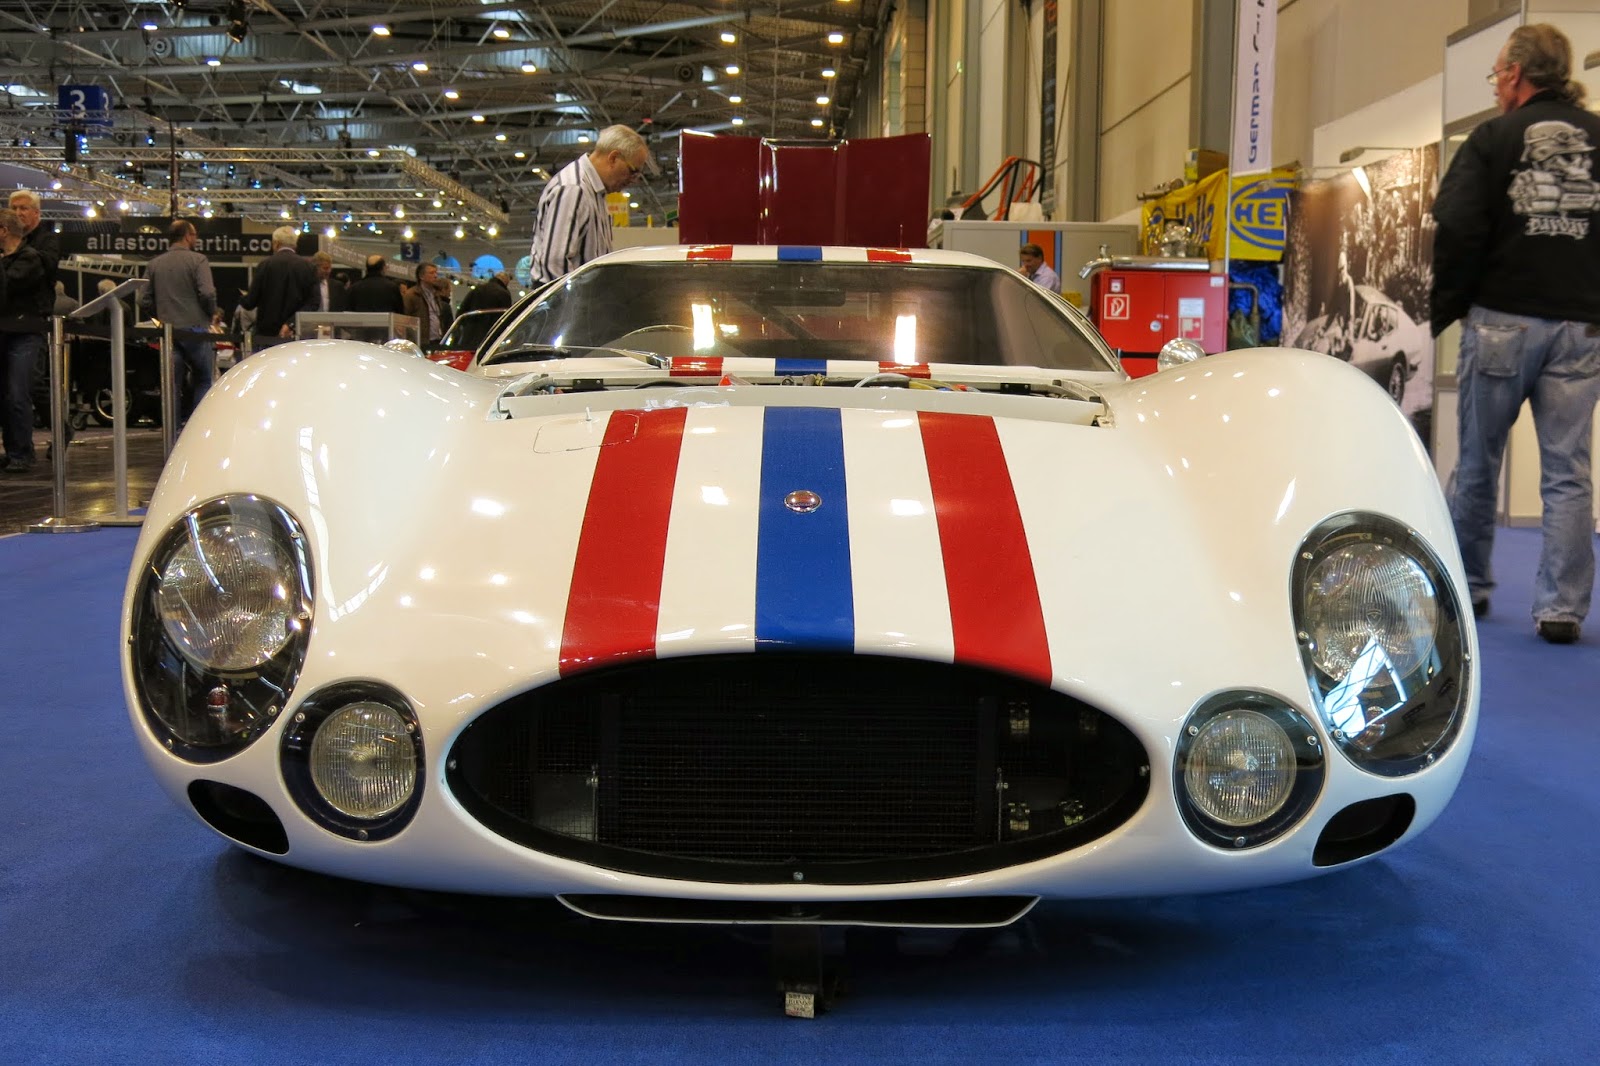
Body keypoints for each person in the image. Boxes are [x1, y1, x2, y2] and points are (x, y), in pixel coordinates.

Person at [1431, 22, 1600, 645]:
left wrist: (1449, 305)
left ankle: (1468, 588)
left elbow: (1456, 227)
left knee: (1477, 463)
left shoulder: (1492, 139)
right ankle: (1561, 608)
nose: (1498, 84)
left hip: (1502, 319)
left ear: (1516, 75)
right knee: (1568, 472)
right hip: (1582, 327)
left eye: (1499, 73)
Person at [528, 124, 653, 285]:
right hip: (566, 303)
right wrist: (574, 307)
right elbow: (555, 264)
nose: (634, 179)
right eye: (633, 171)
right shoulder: (574, 189)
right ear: (613, 158)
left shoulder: (595, 192)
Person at [143, 219, 220, 423]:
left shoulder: (154, 264)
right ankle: (198, 427)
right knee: (203, 379)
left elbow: (142, 299)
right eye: (194, 235)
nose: (195, 239)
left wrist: (160, 316)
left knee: (171, 384)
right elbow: (207, 293)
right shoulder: (198, 260)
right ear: (187, 236)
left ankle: (172, 431)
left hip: (168, 331)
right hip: (196, 329)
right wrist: (210, 313)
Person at [0, 208, 49, 474]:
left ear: (4, 231)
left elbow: (9, 285)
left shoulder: (31, 259)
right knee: (6, 395)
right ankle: (13, 450)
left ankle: (22, 453)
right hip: (6, 333)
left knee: (18, 393)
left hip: (26, 334)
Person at [239, 225, 318, 352]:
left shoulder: (265, 265)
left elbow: (250, 302)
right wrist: (291, 324)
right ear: (295, 245)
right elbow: (314, 303)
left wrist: (242, 297)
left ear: (276, 243)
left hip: (266, 335)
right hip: (296, 335)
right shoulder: (308, 267)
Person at [402, 262, 447, 345]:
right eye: (431, 273)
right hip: (421, 341)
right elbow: (405, 318)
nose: (435, 276)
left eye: (436, 272)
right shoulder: (411, 295)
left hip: (438, 339)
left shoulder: (436, 295)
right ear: (421, 276)